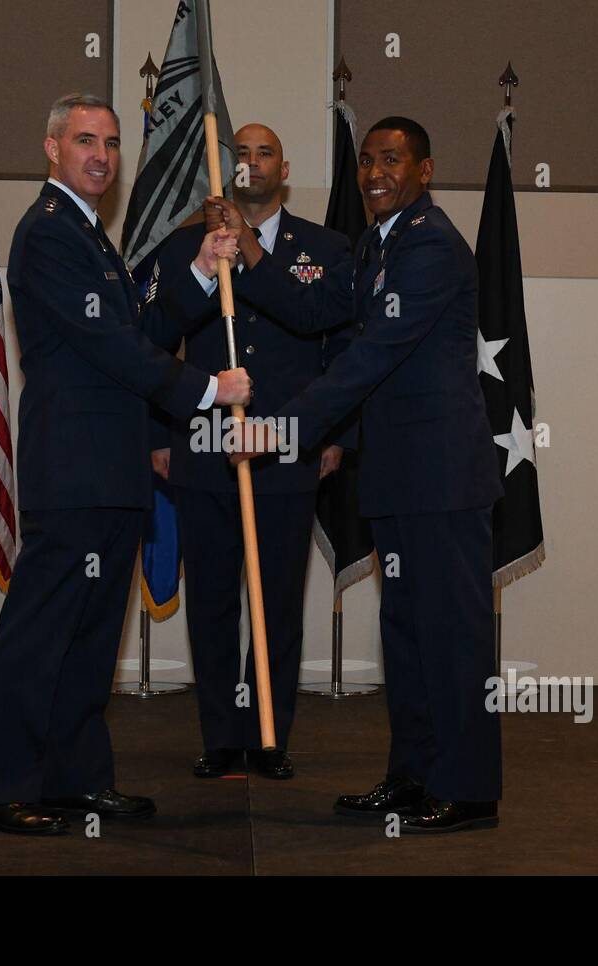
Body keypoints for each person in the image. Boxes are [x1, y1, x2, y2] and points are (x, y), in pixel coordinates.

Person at [0, 93, 252, 836]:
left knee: (91, 638)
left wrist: (195, 265)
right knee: (43, 632)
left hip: (112, 469)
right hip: (74, 468)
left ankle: (73, 779)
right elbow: (116, 352)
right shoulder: (50, 234)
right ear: (52, 148)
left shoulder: (94, 239)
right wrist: (209, 389)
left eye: (113, 142)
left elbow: (144, 328)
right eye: (86, 140)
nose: (103, 154)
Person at [206, 116, 504, 833]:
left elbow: (367, 359)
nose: (375, 172)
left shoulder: (429, 246)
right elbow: (314, 311)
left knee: (453, 636)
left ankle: (467, 791)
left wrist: (278, 431)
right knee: (404, 634)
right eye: (367, 160)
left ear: (424, 172)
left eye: (392, 161)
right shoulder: (377, 245)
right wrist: (247, 246)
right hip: (400, 479)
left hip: (442, 481)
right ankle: (412, 775)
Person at [147, 124, 355, 780]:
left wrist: (335, 436)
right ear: (226, 168)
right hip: (205, 448)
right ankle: (219, 737)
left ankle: (269, 738)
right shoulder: (186, 248)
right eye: (240, 152)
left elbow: (338, 344)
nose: (253, 162)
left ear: (284, 166)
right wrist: (159, 434)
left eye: (265, 151)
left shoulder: (325, 247)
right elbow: (153, 344)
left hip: (287, 450)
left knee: (278, 605)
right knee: (212, 601)